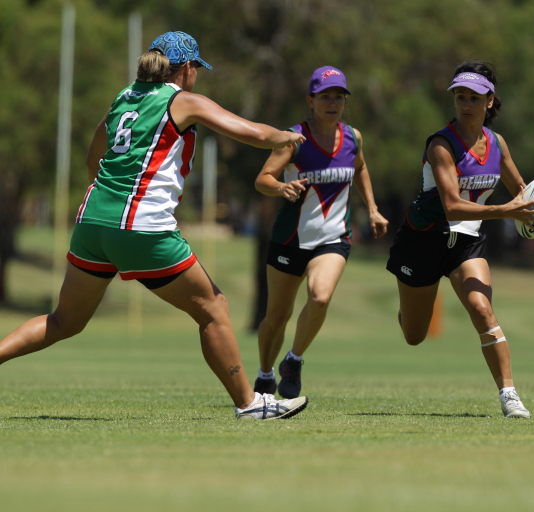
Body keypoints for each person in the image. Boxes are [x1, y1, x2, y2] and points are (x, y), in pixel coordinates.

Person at [0, 31, 309, 421]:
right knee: (214, 308)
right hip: (141, 227)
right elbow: (255, 134)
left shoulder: (123, 97)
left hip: (92, 221)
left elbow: (93, 160)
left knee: (63, 321)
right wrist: (289, 137)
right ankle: (249, 404)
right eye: (197, 68)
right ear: (187, 69)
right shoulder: (182, 101)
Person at [385, 61, 534, 419]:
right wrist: (509, 211)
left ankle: (509, 396)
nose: (466, 104)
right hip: (423, 240)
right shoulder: (441, 145)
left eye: (474, 97)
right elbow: (453, 206)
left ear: (490, 101)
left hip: (466, 245)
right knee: (414, 335)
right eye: (460, 97)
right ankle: (409, 306)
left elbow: (522, 191)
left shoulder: (497, 144)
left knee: (482, 309)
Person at [254, 66, 389, 398]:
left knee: (320, 296)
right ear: (310, 101)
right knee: (276, 317)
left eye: (339, 97)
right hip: (290, 238)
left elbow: (360, 168)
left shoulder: (353, 138)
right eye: (325, 97)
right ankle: (265, 373)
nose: (333, 103)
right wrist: (280, 189)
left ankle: (294, 360)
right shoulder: (294, 139)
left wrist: (371, 208)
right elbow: (263, 179)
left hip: (333, 237)